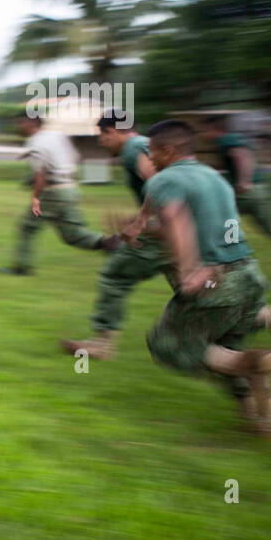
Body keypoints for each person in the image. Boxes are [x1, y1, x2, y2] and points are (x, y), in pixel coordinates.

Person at [140, 119, 271, 434]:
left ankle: (252, 364)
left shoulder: (166, 179)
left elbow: (176, 218)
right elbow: (192, 224)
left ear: (168, 150)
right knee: (220, 349)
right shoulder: (214, 178)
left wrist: (190, 271)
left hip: (219, 281)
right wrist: (139, 226)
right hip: (249, 275)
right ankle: (260, 419)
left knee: (167, 343)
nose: (149, 159)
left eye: (151, 152)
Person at [60, 109, 167, 359]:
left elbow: (160, 184)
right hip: (178, 227)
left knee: (115, 275)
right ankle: (268, 317)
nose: (101, 141)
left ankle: (102, 344)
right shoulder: (144, 145)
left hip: (168, 228)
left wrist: (140, 221)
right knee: (193, 286)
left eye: (103, 135)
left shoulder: (132, 148)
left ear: (114, 131)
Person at [0, 114, 119, 275]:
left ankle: (22, 268)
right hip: (70, 189)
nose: (18, 127)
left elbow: (41, 177)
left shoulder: (35, 142)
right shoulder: (57, 136)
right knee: (73, 234)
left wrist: (35, 198)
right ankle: (112, 244)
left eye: (20, 123)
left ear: (30, 124)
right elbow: (76, 158)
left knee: (27, 227)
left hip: (53, 192)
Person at [201, 113, 271, 240]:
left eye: (204, 130)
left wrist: (244, 181)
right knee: (223, 210)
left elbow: (242, 155)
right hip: (257, 191)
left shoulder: (227, 139)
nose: (202, 134)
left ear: (213, 129)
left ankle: (230, 243)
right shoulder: (228, 140)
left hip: (252, 193)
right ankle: (231, 242)